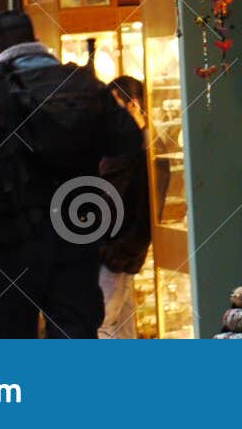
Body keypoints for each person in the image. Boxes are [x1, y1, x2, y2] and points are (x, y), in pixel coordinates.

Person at [0, 12, 140, 338]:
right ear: (35, 40)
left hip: (11, 237)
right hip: (77, 231)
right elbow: (128, 137)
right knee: (74, 333)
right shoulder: (82, 83)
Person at [97, 76, 152, 338]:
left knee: (105, 323)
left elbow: (140, 209)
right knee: (120, 324)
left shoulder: (141, 150)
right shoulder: (125, 147)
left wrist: (117, 252)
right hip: (116, 250)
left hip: (118, 251)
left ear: (133, 105)